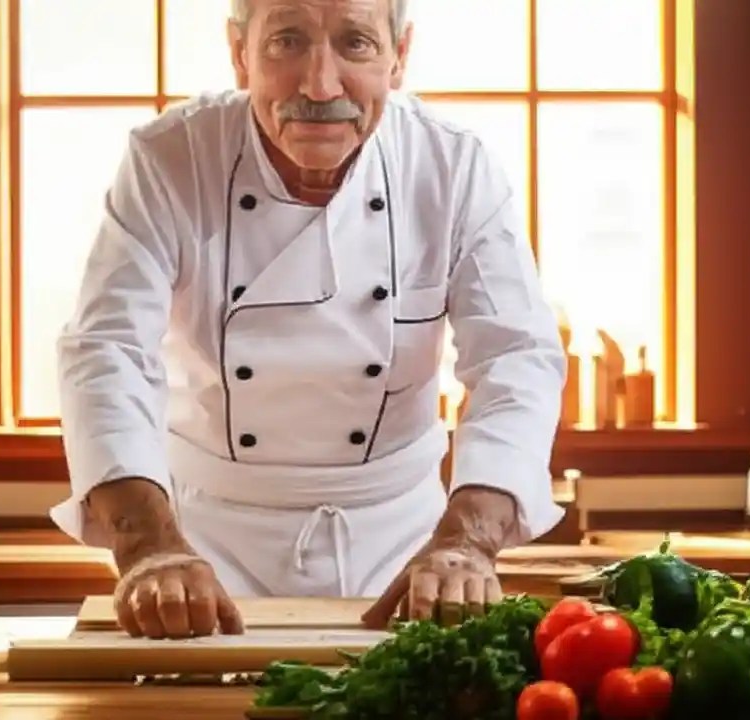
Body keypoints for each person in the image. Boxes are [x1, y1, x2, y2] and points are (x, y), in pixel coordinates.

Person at [49, 0, 567, 640]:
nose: (319, 86)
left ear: (399, 56)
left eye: (355, 43)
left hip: (407, 550)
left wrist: (468, 542)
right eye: (286, 41)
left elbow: (516, 357)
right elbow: (107, 350)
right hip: (206, 553)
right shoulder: (171, 157)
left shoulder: (452, 167)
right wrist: (149, 549)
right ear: (240, 54)